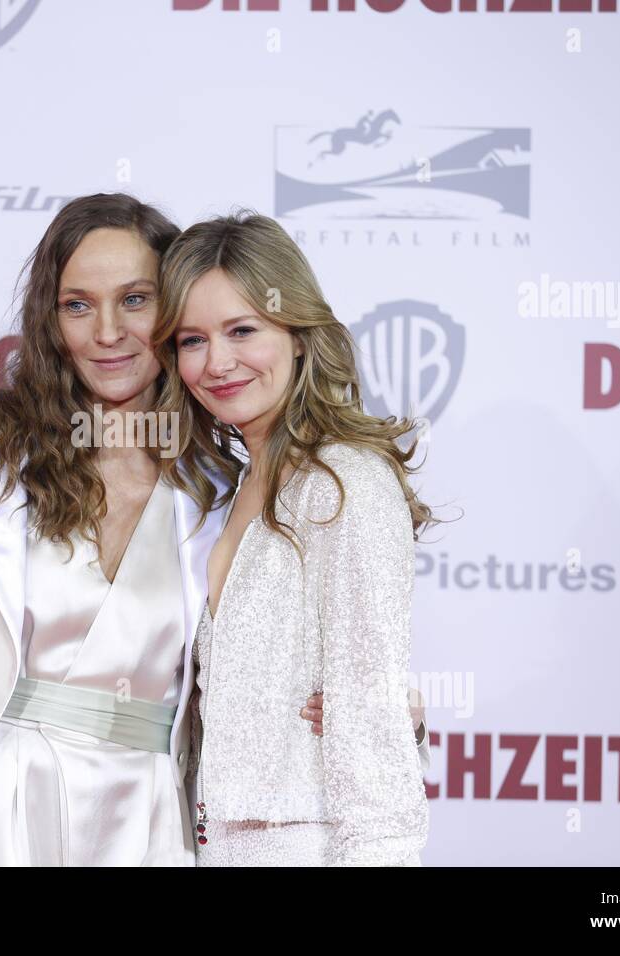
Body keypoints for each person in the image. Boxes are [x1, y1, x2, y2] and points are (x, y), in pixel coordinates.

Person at [0, 194, 418, 866]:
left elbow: (255, 665)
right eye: (77, 305)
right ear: (49, 322)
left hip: (148, 824)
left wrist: (373, 704)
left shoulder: (225, 483)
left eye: (135, 300)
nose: (107, 331)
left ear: (171, 311)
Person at [155, 210, 434, 866]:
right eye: (191, 340)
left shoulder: (344, 483)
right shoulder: (226, 488)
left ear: (301, 335)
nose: (216, 362)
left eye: (242, 330)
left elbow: (371, 732)